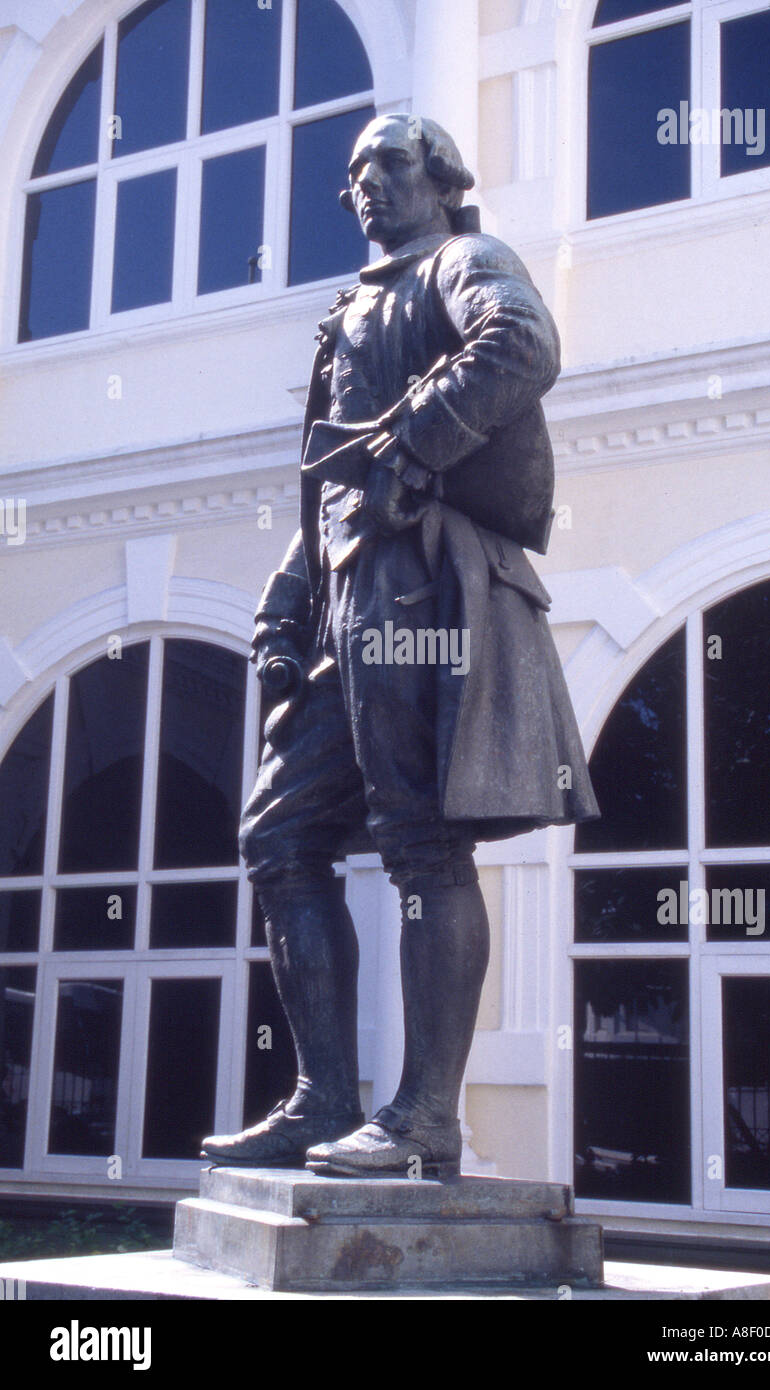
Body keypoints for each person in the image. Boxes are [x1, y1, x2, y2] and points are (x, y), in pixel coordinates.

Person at [201, 113, 598, 1177]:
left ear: (440, 177)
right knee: (279, 837)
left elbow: (522, 343)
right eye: (354, 174)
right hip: (345, 608)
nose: (365, 185)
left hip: (423, 586)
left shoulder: (465, 262)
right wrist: (285, 606)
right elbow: (333, 473)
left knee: (423, 844)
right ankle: (324, 1099)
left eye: (385, 163)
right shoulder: (351, 309)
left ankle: (426, 1115)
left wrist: (414, 451)